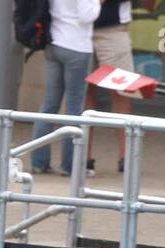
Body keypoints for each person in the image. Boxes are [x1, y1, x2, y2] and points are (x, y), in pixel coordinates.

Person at [31, 0, 101, 176]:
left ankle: (39, 162)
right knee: (74, 108)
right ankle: (70, 166)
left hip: (54, 42)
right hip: (77, 46)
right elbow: (87, 16)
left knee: (49, 105)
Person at [84, 0, 136, 174]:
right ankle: (83, 157)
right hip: (76, 29)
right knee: (83, 94)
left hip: (113, 29)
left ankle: (126, 157)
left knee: (121, 91)